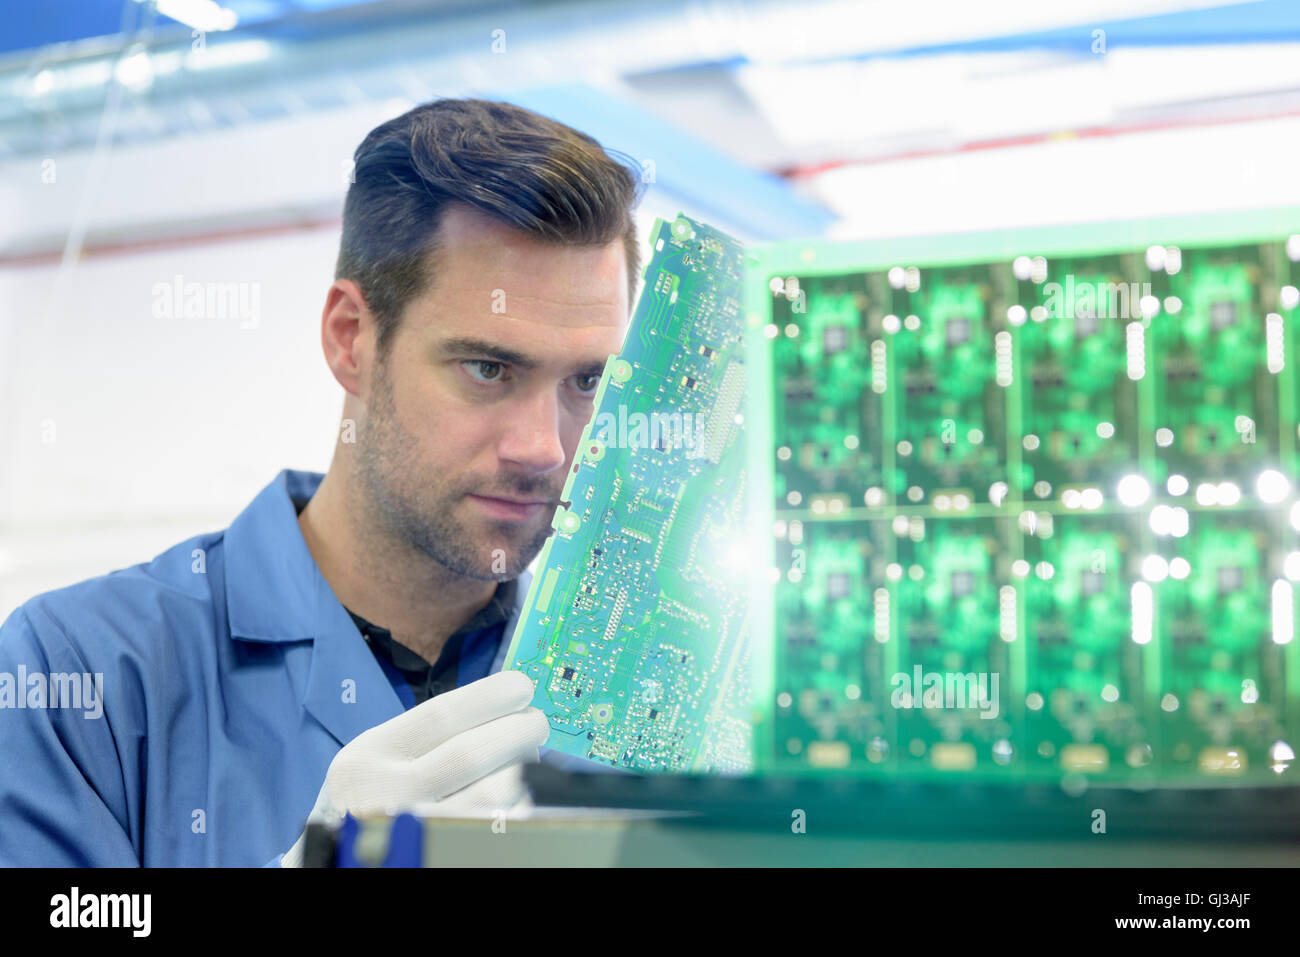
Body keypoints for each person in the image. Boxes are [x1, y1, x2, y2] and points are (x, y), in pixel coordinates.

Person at [0, 98, 642, 866]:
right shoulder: (78, 673)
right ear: (350, 339)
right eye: (487, 368)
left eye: (585, 379)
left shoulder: (620, 705)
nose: (544, 447)